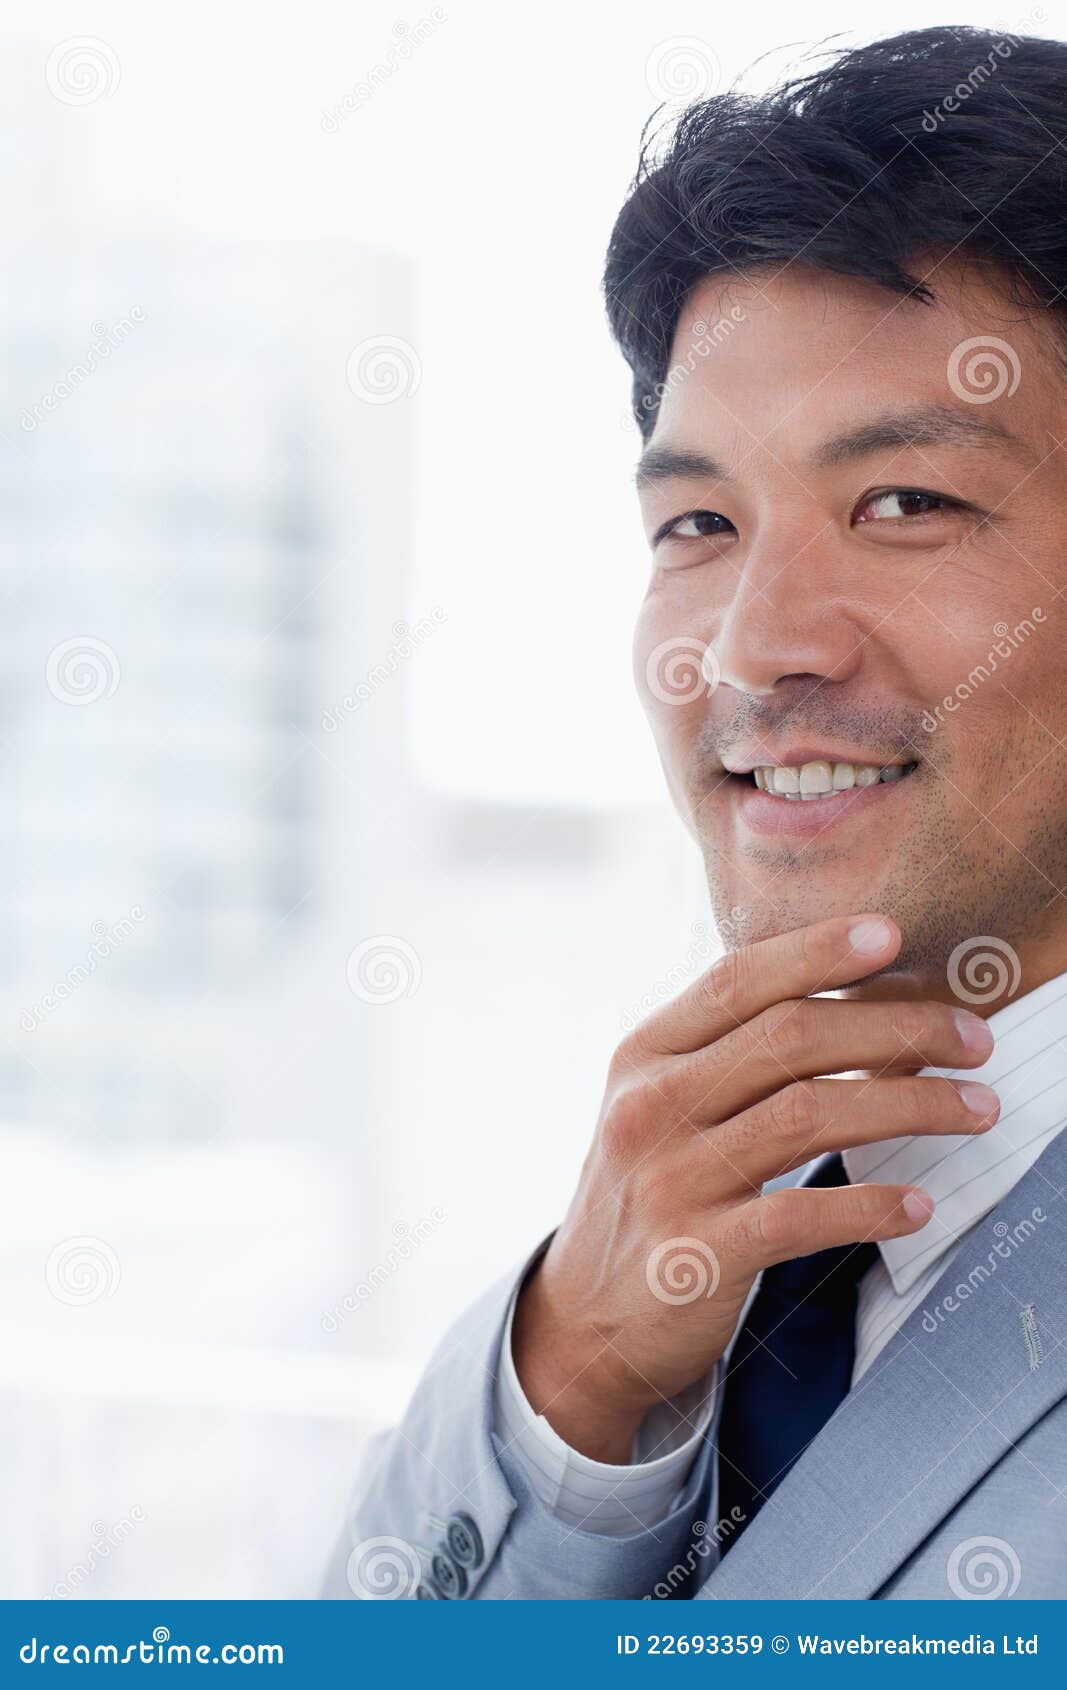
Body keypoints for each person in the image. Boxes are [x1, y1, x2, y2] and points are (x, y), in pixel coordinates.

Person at [325, 25, 1067, 1601]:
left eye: (905, 504)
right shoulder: (640, 1263)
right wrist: (575, 1395)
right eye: (700, 521)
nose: (751, 643)